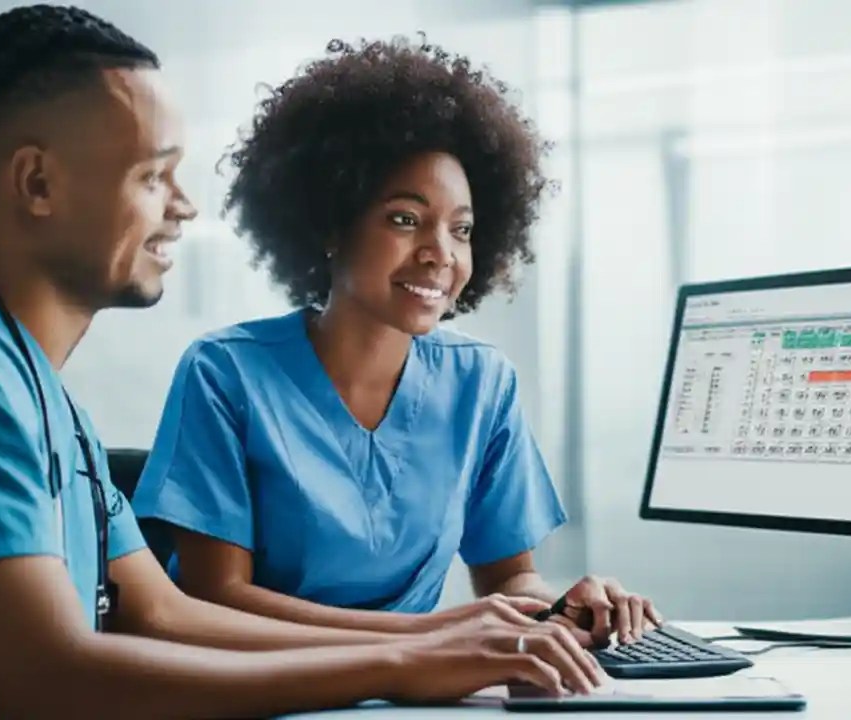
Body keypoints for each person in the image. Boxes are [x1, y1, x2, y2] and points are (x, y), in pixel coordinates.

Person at [0, 6, 604, 718]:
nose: (184, 205)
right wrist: (404, 660)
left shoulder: (34, 384)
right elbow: (48, 679)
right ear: (37, 183)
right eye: (154, 176)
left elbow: (163, 613)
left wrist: (438, 641)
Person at [132, 36, 663, 650]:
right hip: (251, 688)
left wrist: (571, 606)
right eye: (405, 219)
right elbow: (214, 597)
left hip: (410, 695)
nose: (440, 252)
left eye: (461, 229)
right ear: (331, 223)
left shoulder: (481, 384)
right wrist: (427, 639)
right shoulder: (226, 373)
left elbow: (511, 580)